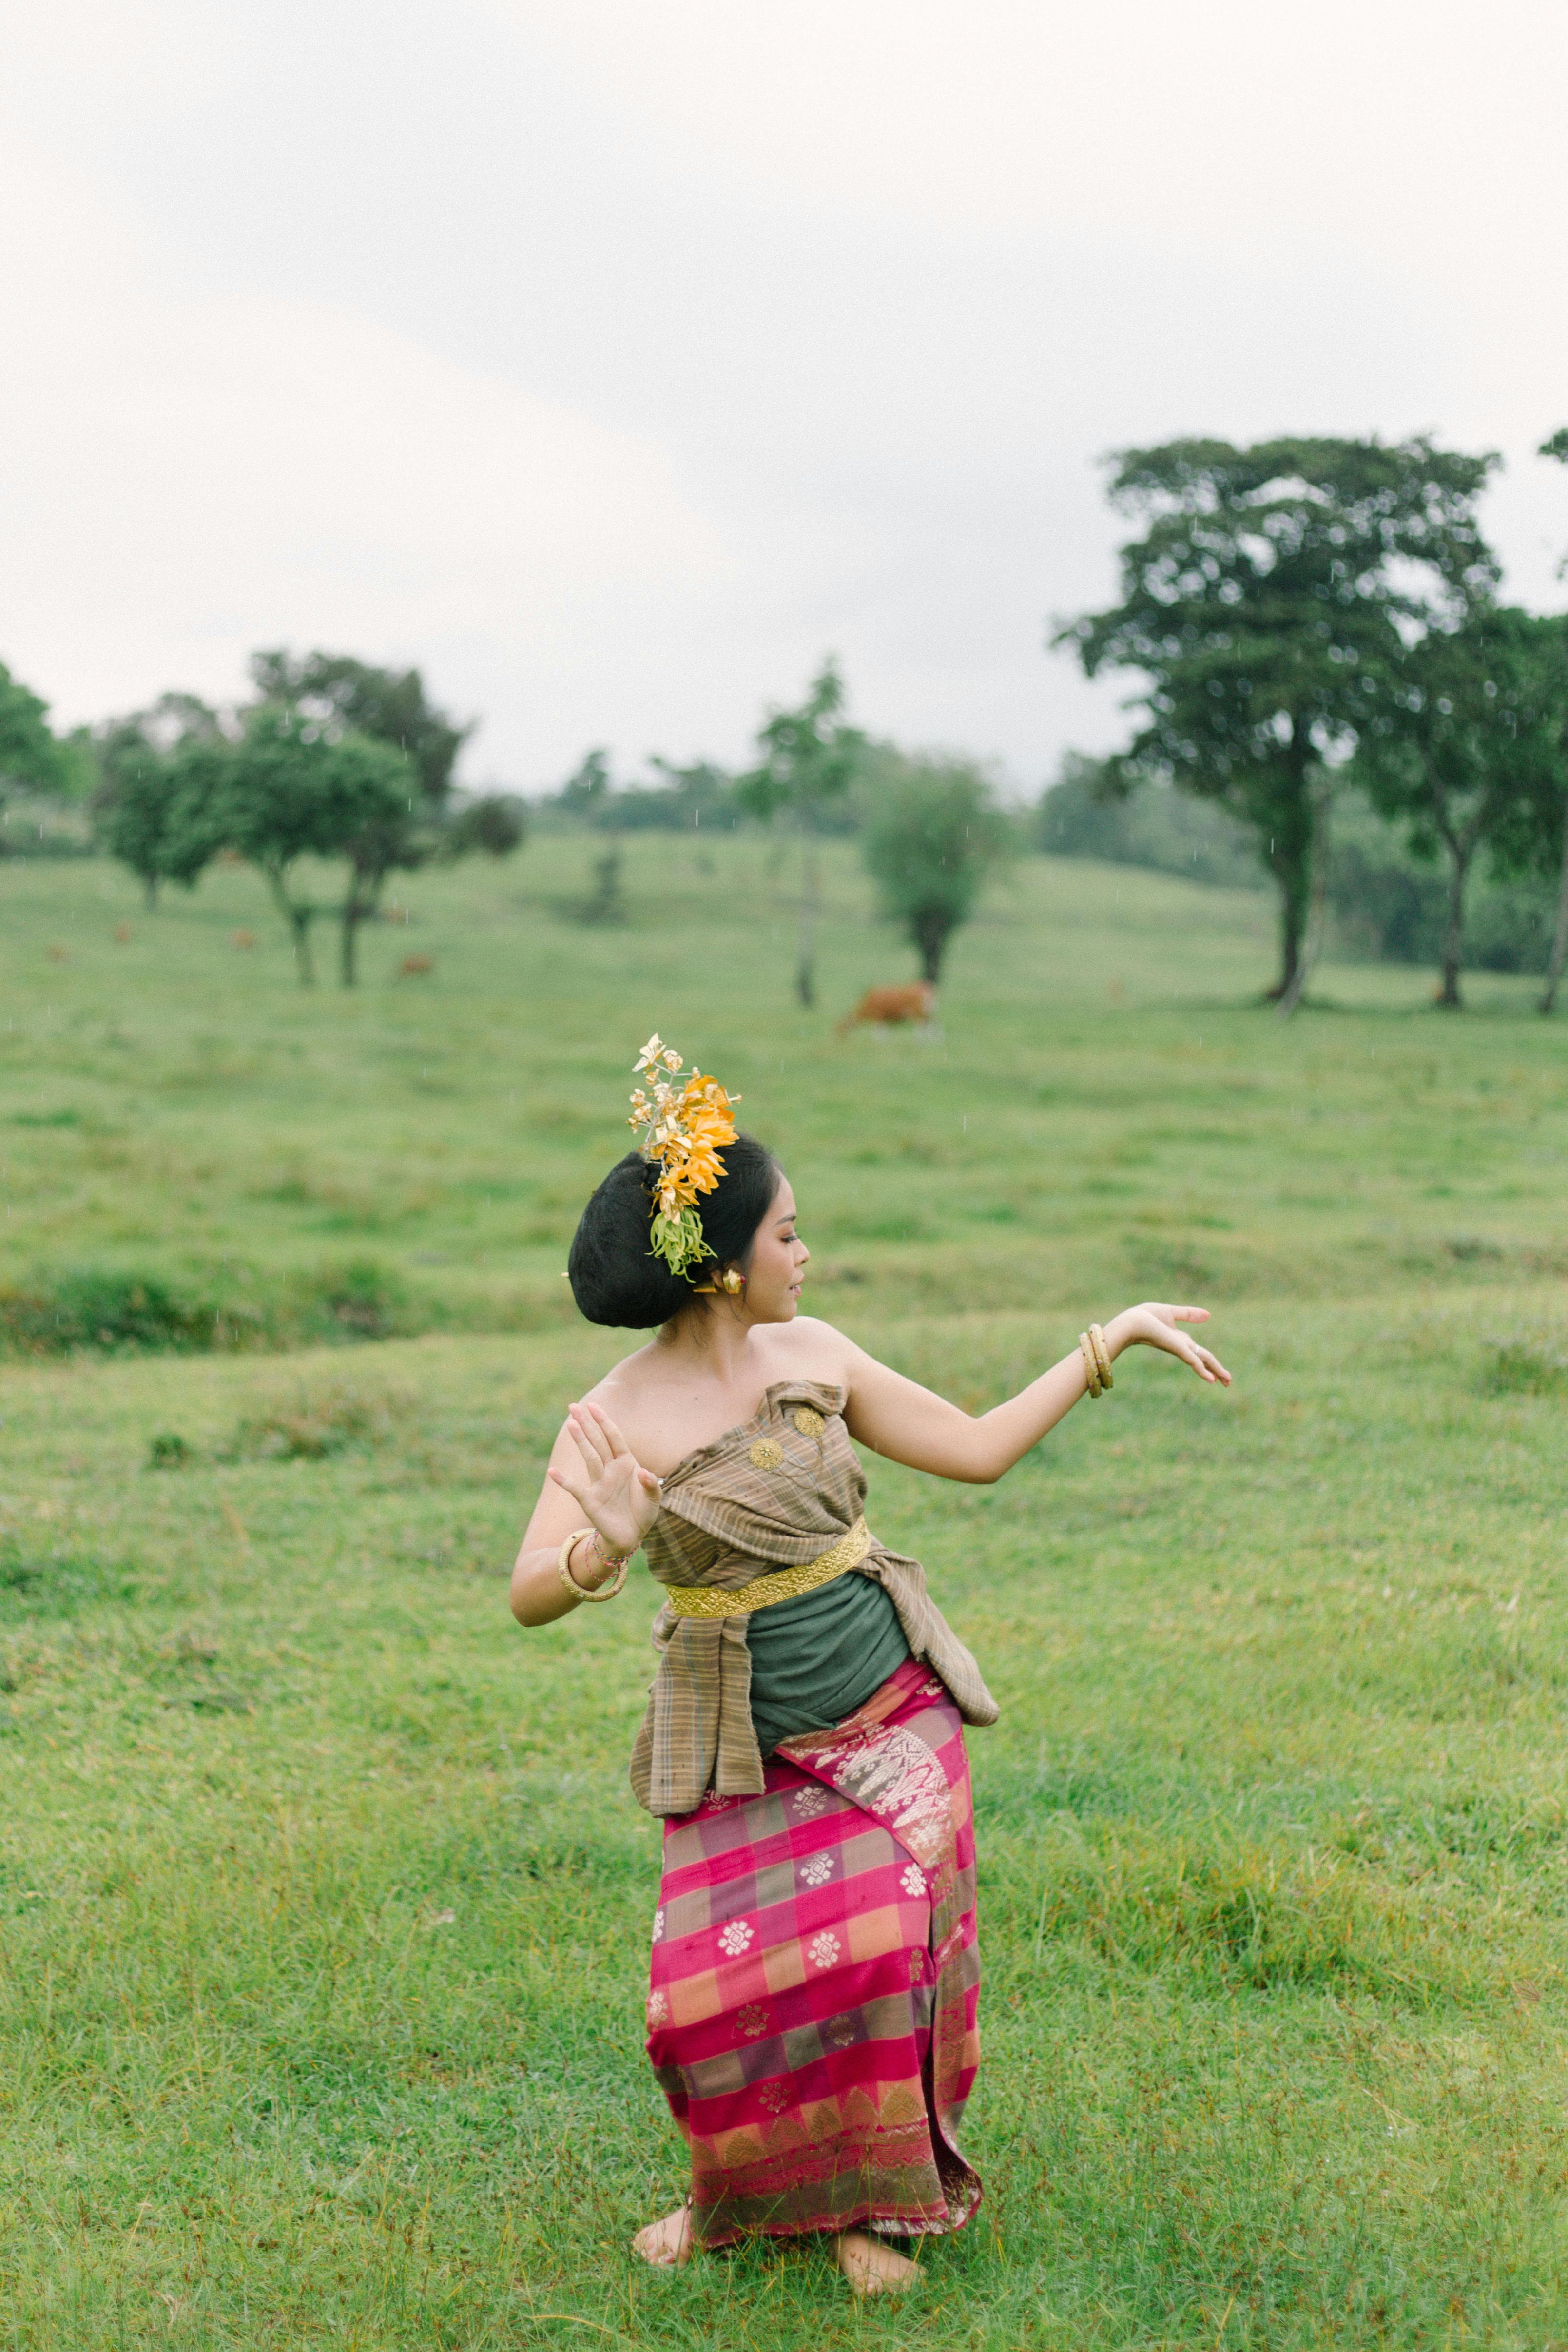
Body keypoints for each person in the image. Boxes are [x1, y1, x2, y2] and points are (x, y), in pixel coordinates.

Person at [510, 1037, 1230, 2296]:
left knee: (880, 1951)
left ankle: (870, 2212)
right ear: (727, 1264)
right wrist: (599, 1547)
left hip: (888, 1704)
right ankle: (727, 2197)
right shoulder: (611, 1411)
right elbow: (526, 1592)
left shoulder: (817, 1354)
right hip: (736, 1737)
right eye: (790, 1234)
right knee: (710, 1997)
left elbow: (974, 1444)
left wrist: (1105, 1341)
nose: (807, 1255)